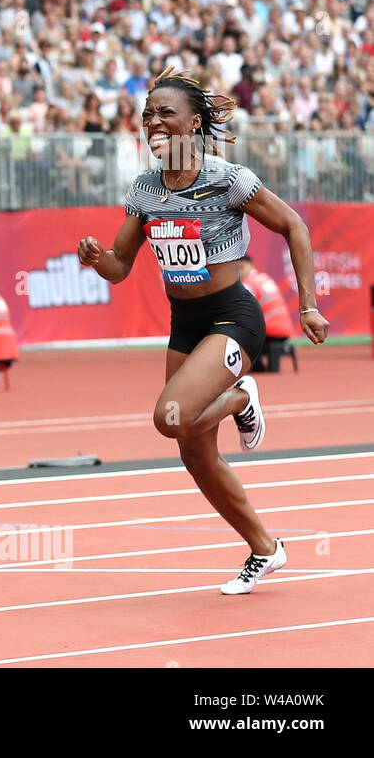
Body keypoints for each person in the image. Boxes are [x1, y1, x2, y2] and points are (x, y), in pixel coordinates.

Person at [77, 67, 329, 595]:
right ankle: (265, 548)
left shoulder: (227, 178)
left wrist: (308, 305)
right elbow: (122, 266)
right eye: (148, 114)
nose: (154, 122)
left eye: (166, 113)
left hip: (232, 316)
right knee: (194, 452)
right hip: (185, 324)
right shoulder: (145, 189)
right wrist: (98, 259)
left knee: (170, 417)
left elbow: (293, 226)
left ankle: (240, 398)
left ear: (195, 123)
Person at [238, 255, 300, 373]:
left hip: (269, 332)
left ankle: (253, 364)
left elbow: (242, 311)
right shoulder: (265, 278)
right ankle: (257, 363)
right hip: (285, 330)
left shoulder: (248, 284)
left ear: (242, 266)